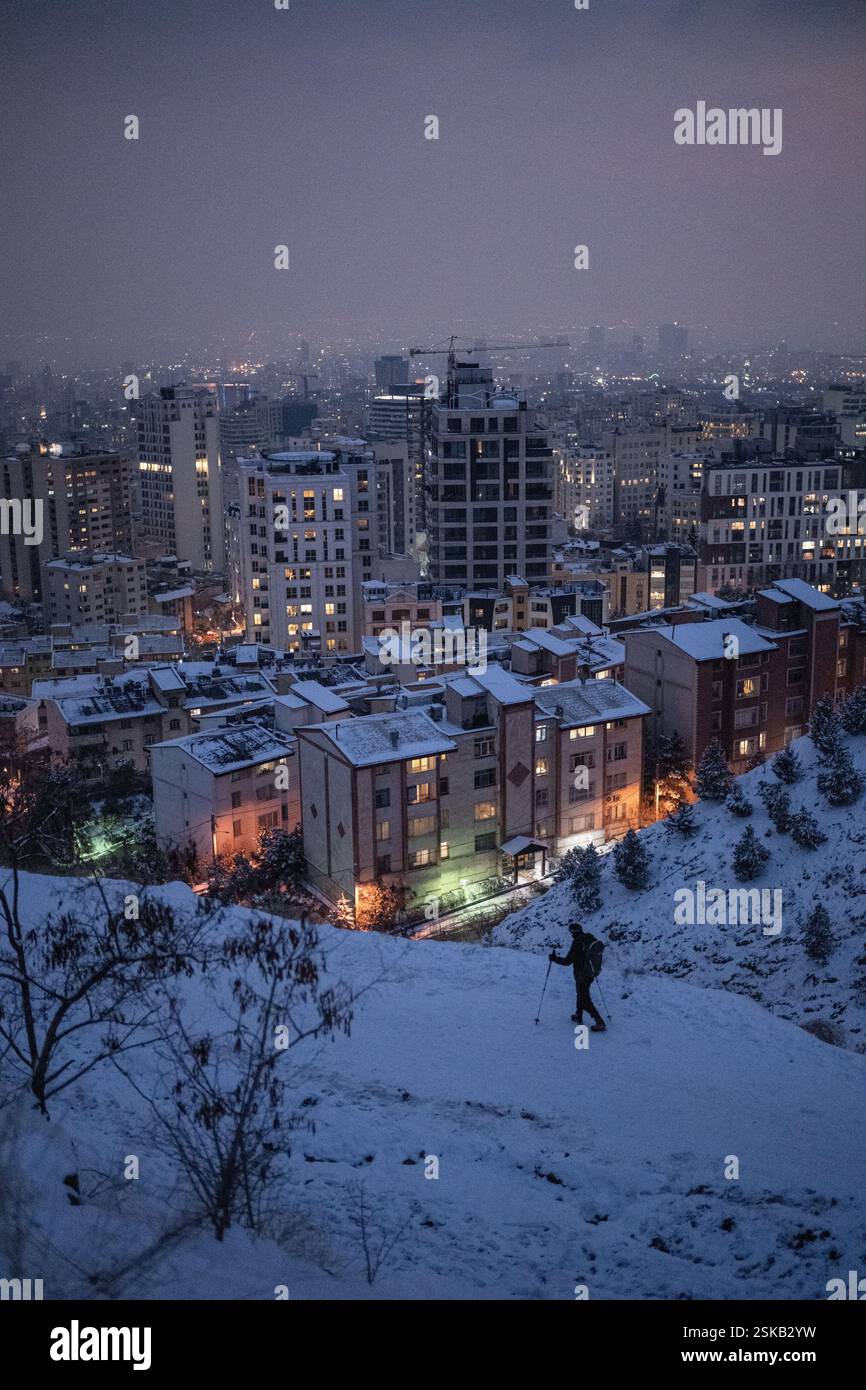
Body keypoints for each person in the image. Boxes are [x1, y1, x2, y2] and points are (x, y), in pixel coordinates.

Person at [549, 923, 606, 1030]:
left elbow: (567, 961)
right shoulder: (589, 938)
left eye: (571, 931)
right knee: (581, 994)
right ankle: (578, 1015)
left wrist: (554, 958)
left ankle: (600, 1022)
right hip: (590, 974)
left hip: (582, 975)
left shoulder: (577, 942)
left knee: (584, 999)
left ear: (572, 932)